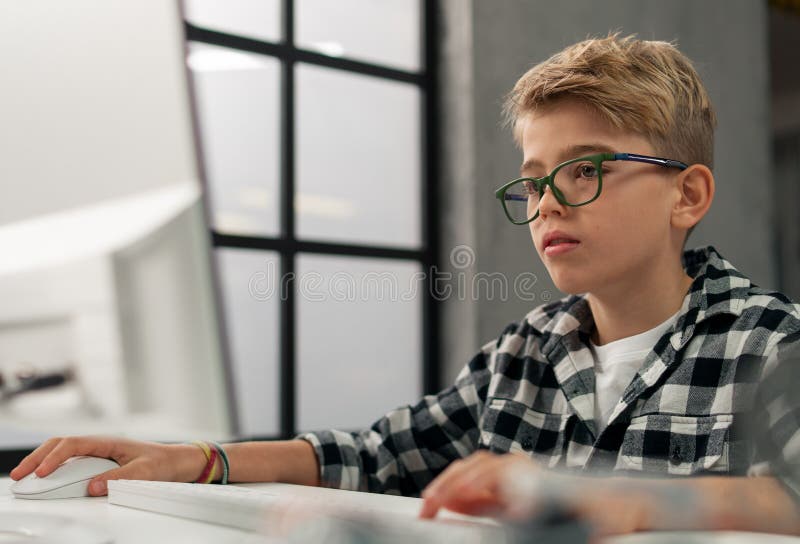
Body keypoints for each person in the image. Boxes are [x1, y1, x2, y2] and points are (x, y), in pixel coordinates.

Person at [11, 34, 800, 537]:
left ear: (686, 195)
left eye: (585, 170)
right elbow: (376, 456)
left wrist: (622, 497)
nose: (548, 201)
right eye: (532, 182)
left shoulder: (771, 344)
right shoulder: (524, 356)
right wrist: (200, 460)